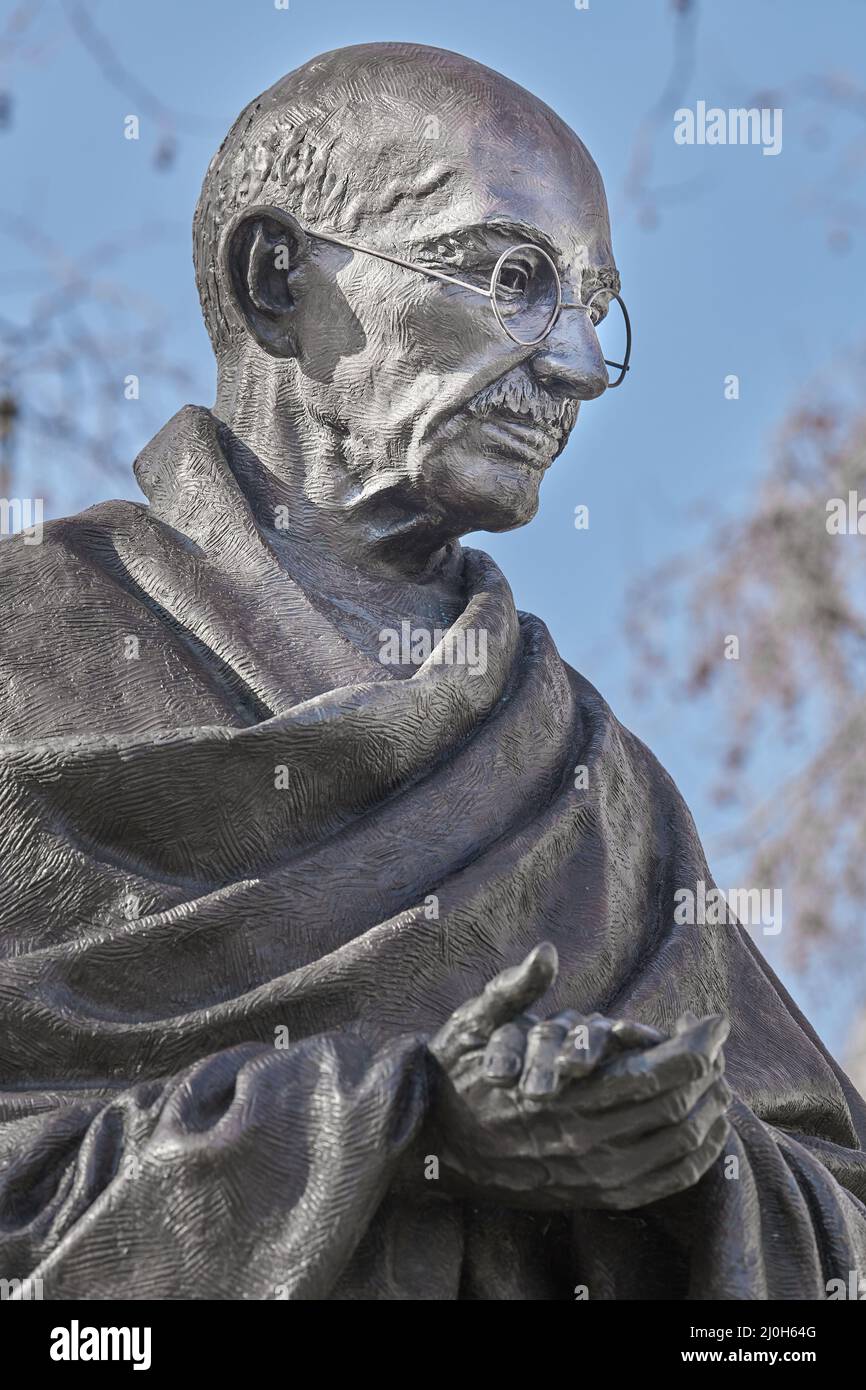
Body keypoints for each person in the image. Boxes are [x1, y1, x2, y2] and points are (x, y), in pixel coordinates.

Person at [1, 42, 864, 1300]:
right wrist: (401, 1125)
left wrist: (671, 1165)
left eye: (591, 305)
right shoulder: (27, 644)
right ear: (276, 278)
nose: (576, 368)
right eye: (511, 278)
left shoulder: (588, 778)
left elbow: (837, 1224)